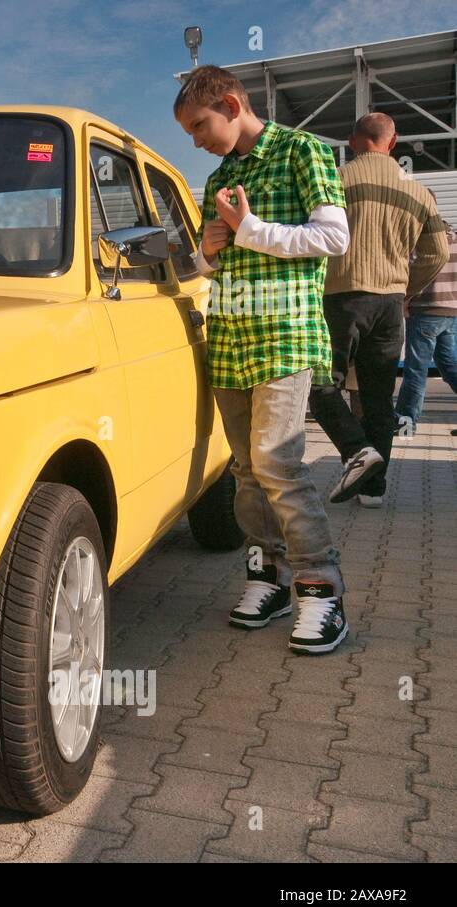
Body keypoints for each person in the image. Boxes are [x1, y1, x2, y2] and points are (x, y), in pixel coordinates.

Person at [174, 65, 351, 655]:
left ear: (230, 103)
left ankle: (320, 589)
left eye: (200, 125)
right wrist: (206, 253)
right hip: (229, 338)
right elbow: (207, 269)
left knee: (278, 466)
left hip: (285, 334)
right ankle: (268, 578)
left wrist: (249, 229)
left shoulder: (304, 151)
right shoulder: (219, 179)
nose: (196, 140)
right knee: (246, 472)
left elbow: (332, 239)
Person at [309, 114, 450, 507]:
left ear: (353, 141)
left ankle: (356, 450)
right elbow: (437, 252)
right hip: (390, 304)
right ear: (393, 142)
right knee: (378, 397)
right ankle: (374, 488)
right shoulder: (421, 193)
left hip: (337, 299)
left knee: (320, 384)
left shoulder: (333, 180)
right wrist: (407, 288)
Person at [395, 218, 457, 427]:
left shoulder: (420, 242)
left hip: (424, 311)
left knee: (415, 369)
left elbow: (407, 275)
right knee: (449, 366)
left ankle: (406, 423)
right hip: (451, 312)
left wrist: (405, 301)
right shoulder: (455, 240)